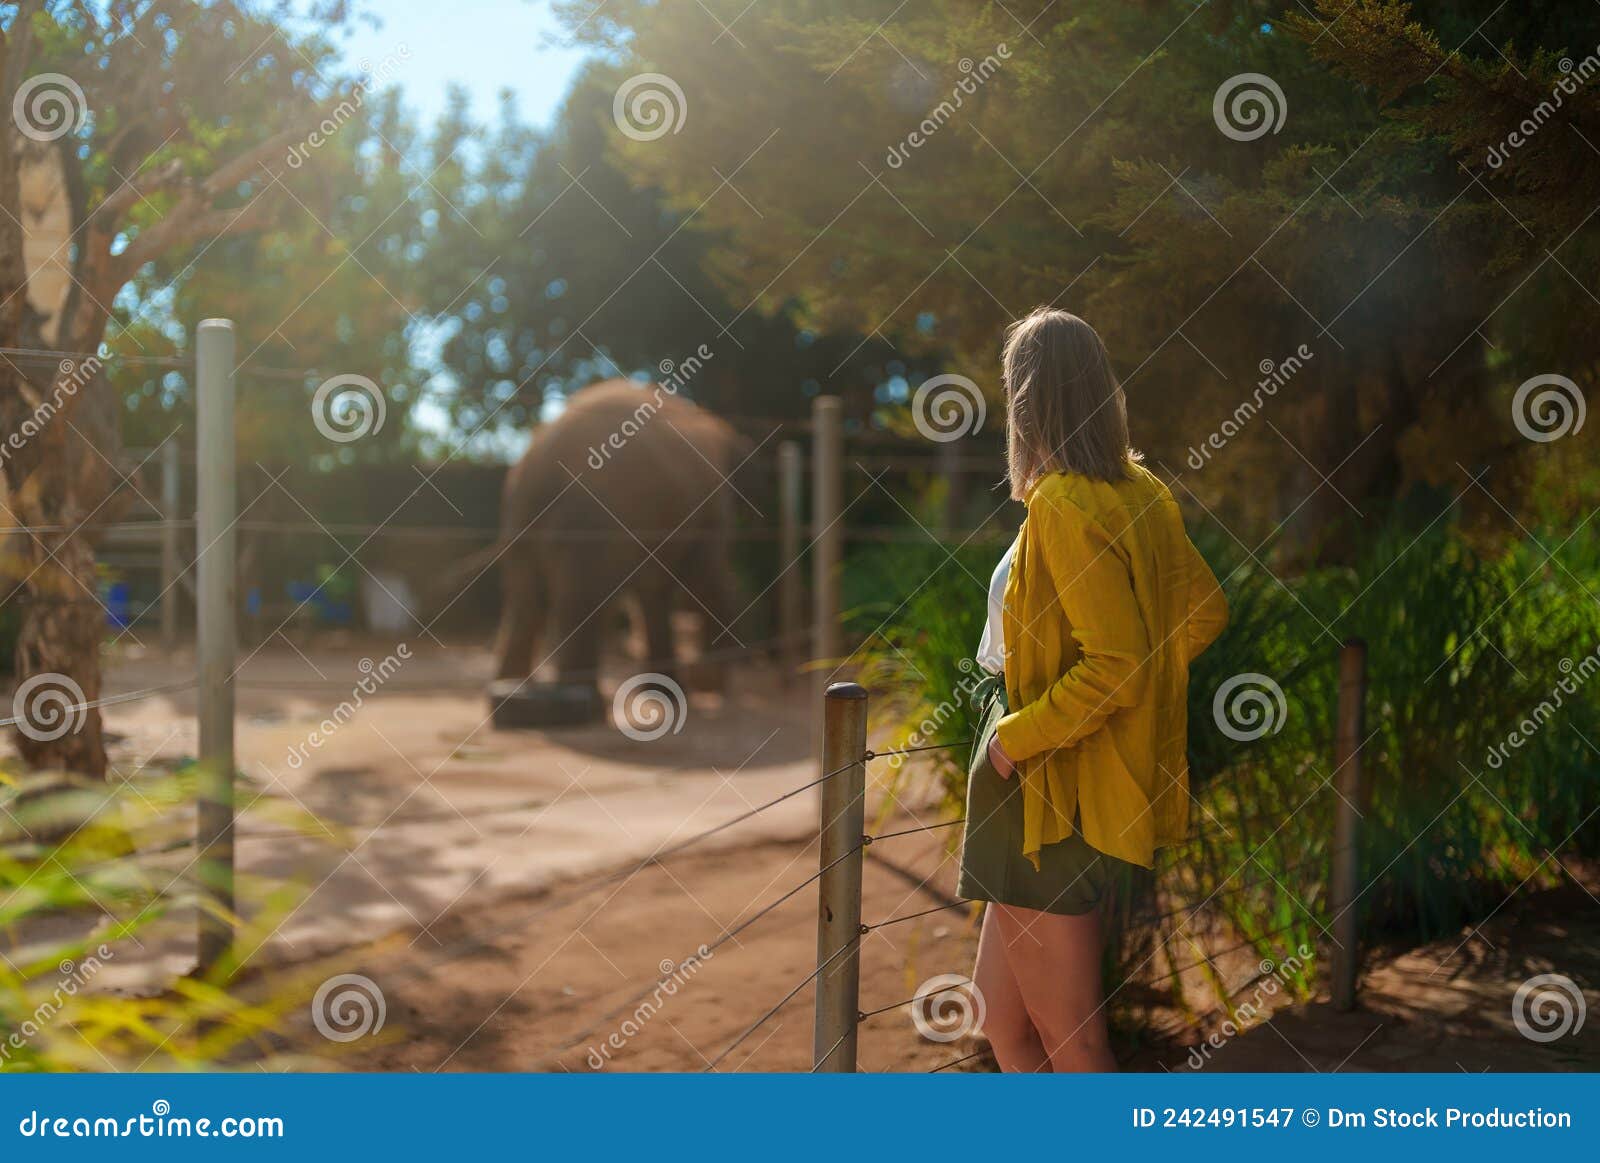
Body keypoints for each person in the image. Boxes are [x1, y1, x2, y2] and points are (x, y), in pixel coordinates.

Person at [959, 307, 1229, 1071]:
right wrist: (1115, 721)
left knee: (1074, 1043)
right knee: (1002, 1020)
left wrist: (1022, 737)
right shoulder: (1139, 490)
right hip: (1049, 768)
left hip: (1042, 775)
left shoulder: (1064, 504)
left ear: (1027, 399)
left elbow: (1117, 663)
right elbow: (1201, 613)